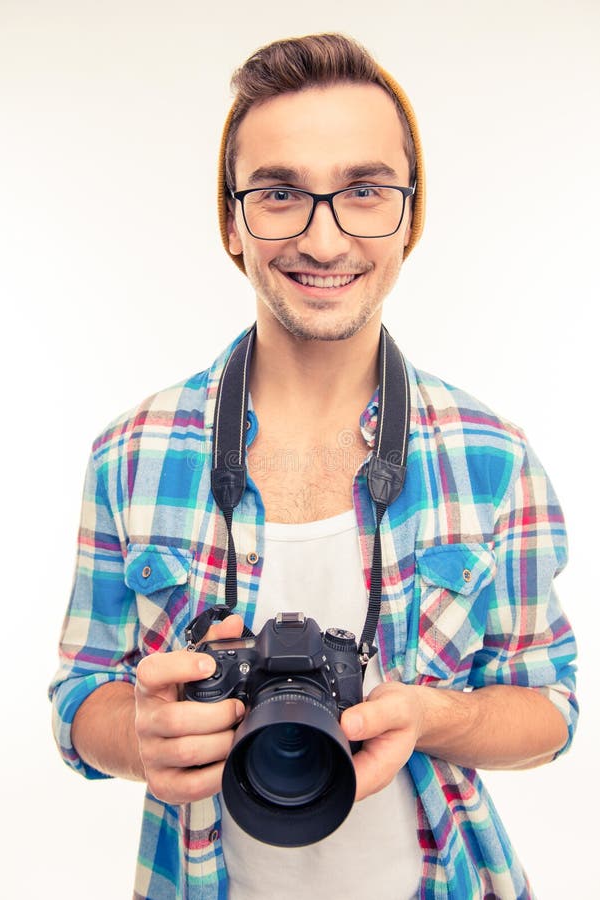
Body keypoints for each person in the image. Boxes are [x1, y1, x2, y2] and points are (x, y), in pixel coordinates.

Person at [49, 33, 578, 900]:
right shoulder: (130, 452)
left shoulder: (493, 456)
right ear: (231, 218)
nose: (324, 239)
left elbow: (548, 715)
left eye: (364, 190)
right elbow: (80, 701)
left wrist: (431, 715)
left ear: (409, 215)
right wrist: (139, 732)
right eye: (281, 193)